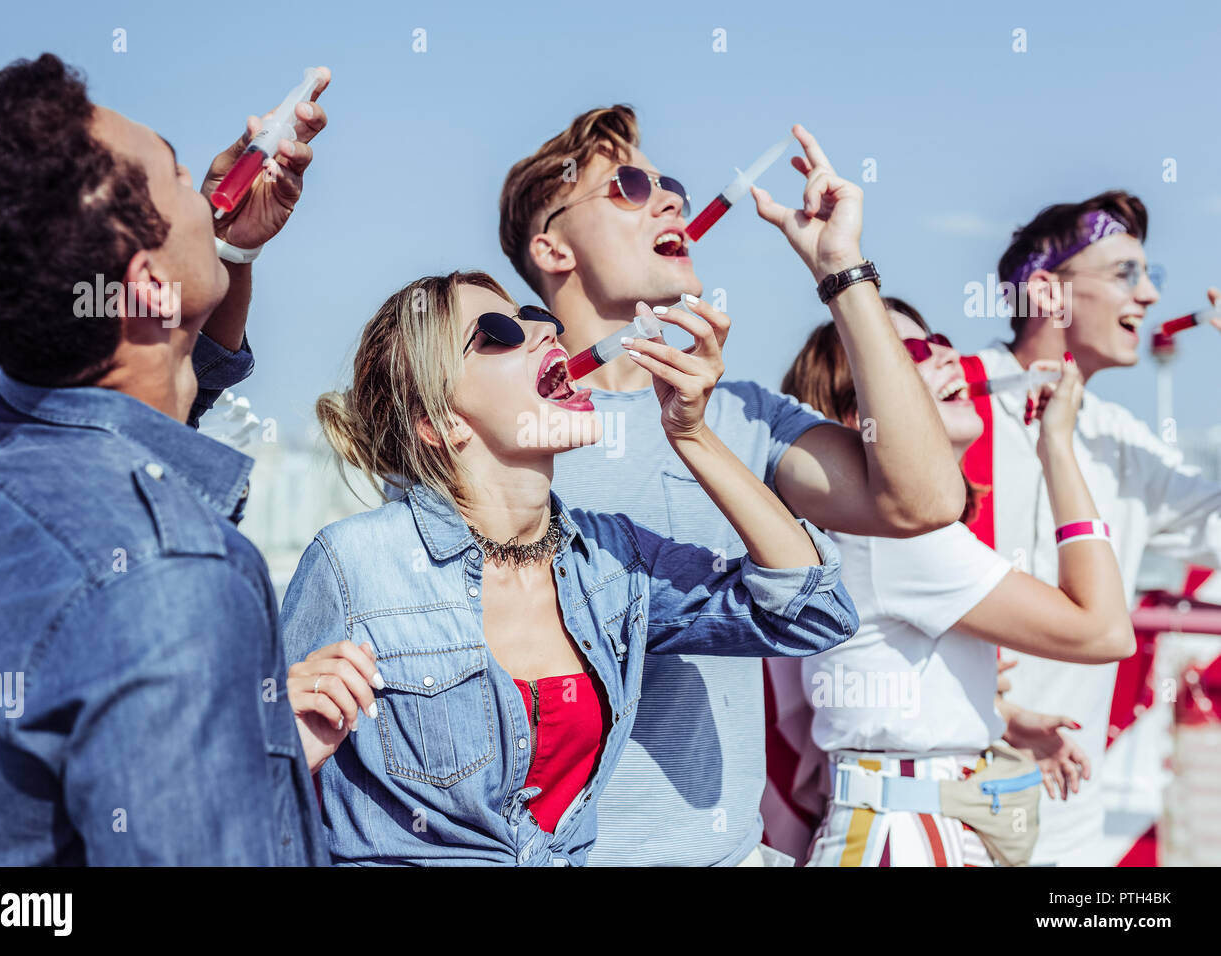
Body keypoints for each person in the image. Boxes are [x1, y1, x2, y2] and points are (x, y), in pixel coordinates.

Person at [496, 107, 965, 865]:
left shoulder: (740, 413)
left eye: (671, 186)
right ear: (550, 247)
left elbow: (925, 500)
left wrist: (840, 272)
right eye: (629, 186)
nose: (671, 200)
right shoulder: (502, 423)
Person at [279, 271, 858, 865]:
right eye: (498, 332)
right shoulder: (355, 562)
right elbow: (258, 785)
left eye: (536, 315)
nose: (542, 328)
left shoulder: (612, 563)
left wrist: (692, 435)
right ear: (440, 421)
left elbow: (810, 613)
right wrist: (285, 741)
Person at [0, 54, 330, 864]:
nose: (206, 181)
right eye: (179, 173)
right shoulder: (169, 573)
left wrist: (222, 258)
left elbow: (100, 407)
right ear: (145, 286)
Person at [778, 299, 1135, 865]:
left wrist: (999, 720)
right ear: (858, 419)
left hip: (908, 823)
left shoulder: (875, 535)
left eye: (938, 338)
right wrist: (1058, 447)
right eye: (909, 353)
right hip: (906, 834)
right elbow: (1106, 631)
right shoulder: (902, 539)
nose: (946, 353)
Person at [966, 191, 1221, 865]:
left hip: (1070, 826)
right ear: (1048, 293)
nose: (1148, 298)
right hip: (942, 815)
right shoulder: (947, 406)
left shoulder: (1120, 440)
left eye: (1150, 277)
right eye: (1124, 275)